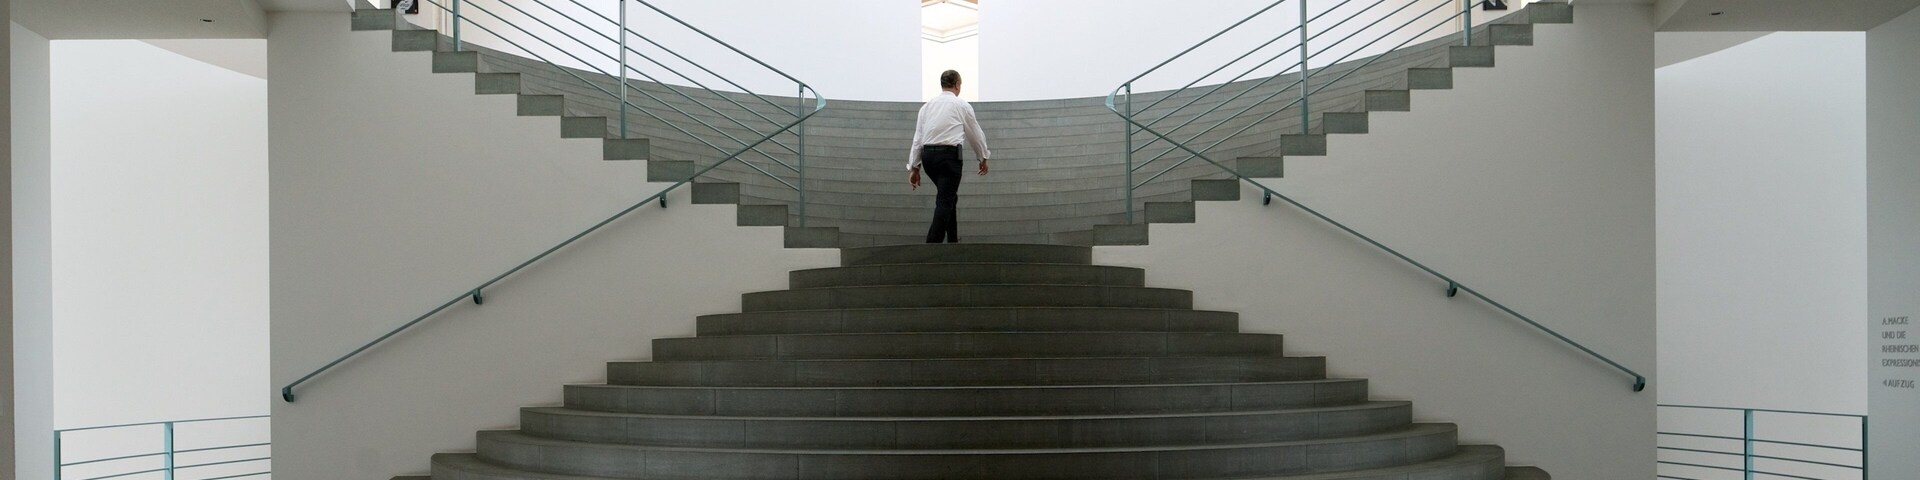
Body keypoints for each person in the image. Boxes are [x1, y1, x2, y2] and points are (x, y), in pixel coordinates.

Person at [908, 70, 992, 243]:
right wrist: (983, 156)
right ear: (957, 85)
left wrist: (914, 167)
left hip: (929, 159)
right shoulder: (961, 105)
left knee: (949, 196)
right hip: (949, 159)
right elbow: (974, 133)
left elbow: (918, 138)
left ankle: (953, 240)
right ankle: (932, 245)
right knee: (945, 201)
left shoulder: (927, 107)